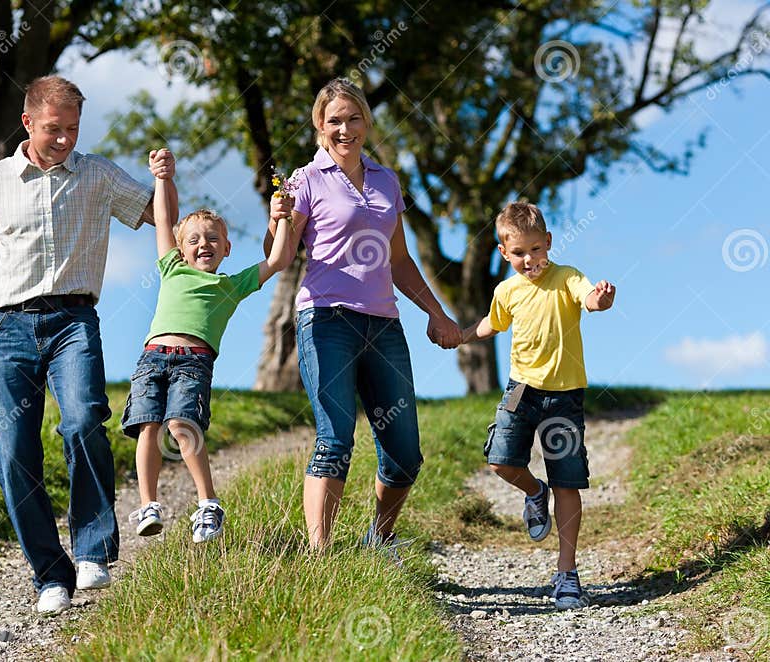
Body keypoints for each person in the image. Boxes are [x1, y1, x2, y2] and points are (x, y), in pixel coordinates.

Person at [0, 75, 175, 615]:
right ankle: (50, 573)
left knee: (84, 420)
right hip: (6, 330)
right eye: (54, 129)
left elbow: (158, 217)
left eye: (73, 128)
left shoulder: (97, 175)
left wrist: (165, 182)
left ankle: (92, 551)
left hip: (73, 321)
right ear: (27, 122)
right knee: (13, 451)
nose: (65, 139)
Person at [262, 77, 461, 552]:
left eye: (354, 119)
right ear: (319, 124)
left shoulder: (387, 180)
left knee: (405, 455)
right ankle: (321, 558)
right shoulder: (305, 180)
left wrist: (437, 312)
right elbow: (279, 255)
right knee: (335, 439)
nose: (344, 129)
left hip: (383, 324)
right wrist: (276, 219)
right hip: (326, 319)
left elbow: (400, 259)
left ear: (367, 123)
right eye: (334, 120)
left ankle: (379, 540)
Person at [121, 164, 295, 542]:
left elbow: (279, 259)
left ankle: (208, 504)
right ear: (180, 249)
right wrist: (162, 178)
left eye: (214, 238)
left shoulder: (232, 285)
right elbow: (163, 218)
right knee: (148, 426)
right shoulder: (171, 268)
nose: (204, 244)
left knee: (182, 426)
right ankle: (148, 504)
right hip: (152, 358)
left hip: (193, 362)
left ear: (227, 248)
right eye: (194, 239)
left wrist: (282, 216)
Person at [460, 201, 616, 609]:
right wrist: (460, 336)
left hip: (564, 396)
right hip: (520, 390)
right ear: (503, 252)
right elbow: (492, 324)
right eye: (519, 253)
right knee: (500, 461)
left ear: (547, 242)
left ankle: (567, 573)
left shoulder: (567, 277)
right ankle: (534, 491)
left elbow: (589, 300)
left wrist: (601, 300)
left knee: (568, 482)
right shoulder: (506, 291)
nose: (529, 259)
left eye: (535, 249)